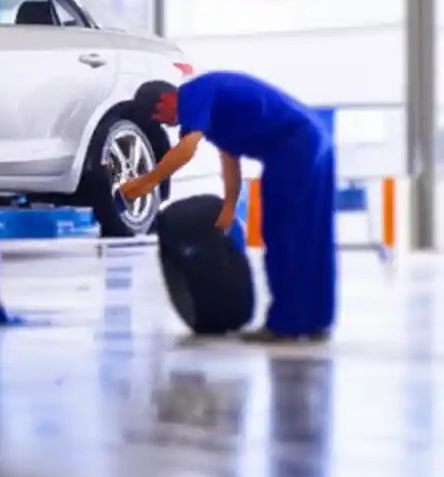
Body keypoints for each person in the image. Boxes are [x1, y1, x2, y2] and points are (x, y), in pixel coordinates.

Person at [119, 71, 336, 343]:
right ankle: (317, 320)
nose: (162, 123)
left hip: (292, 147)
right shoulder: (215, 110)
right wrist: (230, 206)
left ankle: (287, 325)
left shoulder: (194, 94)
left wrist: (145, 183)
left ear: (165, 100)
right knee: (311, 236)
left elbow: (186, 150)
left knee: (284, 234)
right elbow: (229, 160)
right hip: (316, 138)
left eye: (156, 115)